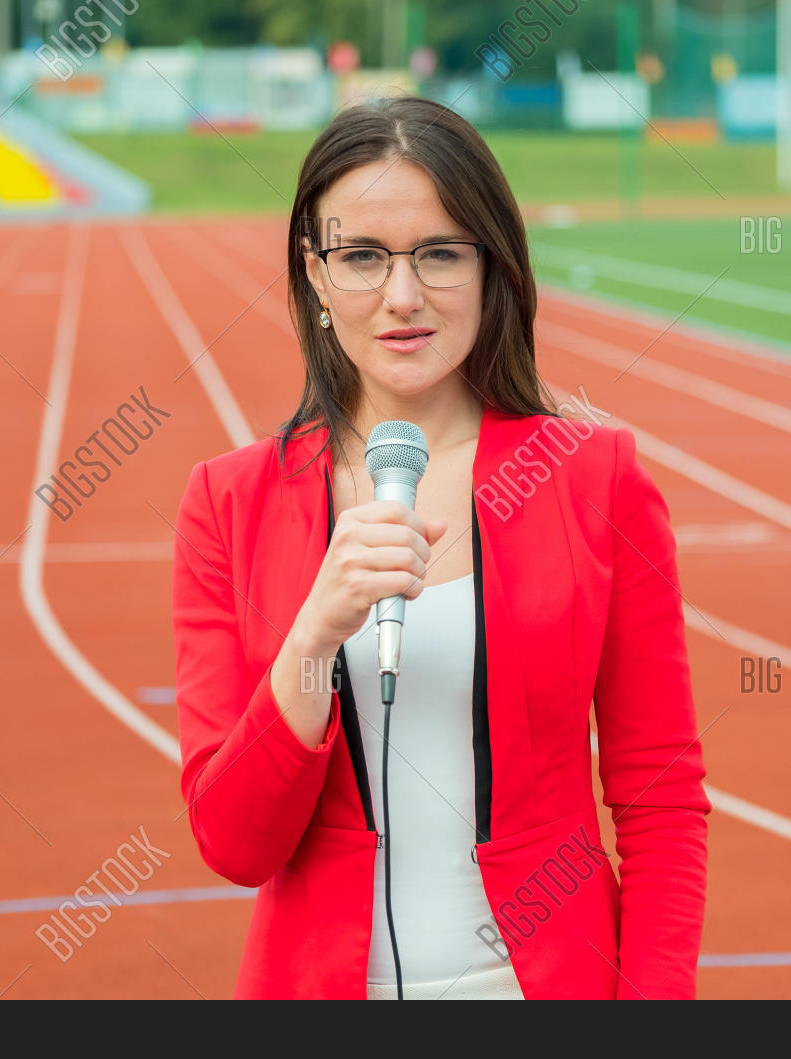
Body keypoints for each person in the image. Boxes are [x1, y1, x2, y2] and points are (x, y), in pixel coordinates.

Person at [171, 95, 709, 999]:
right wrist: (312, 637)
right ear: (314, 275)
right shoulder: (229, 504)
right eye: (363, 257)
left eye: (440, 254)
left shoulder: (593, 477)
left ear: (493, 266)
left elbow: (660, 799)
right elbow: (233, 844)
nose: (404, 295)